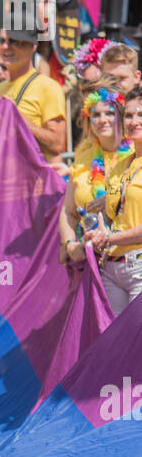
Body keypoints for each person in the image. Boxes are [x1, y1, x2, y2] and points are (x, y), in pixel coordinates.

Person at [86, 85, 142, 314]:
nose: (134, 121)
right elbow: (112, 217)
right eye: (128, 115)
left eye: (141, 114)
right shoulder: (120, 167)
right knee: (117, 345)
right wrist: (97, 233)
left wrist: (111, 238)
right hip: (111, 269)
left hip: (138, 267)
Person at [60, 88, 128, 266]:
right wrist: (69, 245)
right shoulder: (83, 158)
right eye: (95, 114)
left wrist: (110, 199)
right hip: (93, 259)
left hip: (131, 259)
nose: (102, 120)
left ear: (121, 117)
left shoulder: (135, 153)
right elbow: (68, 211)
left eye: (109, 113)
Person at [0, 27, 67, 159]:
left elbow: (57, 144)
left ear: (32, 46)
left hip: (31, 178)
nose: (5, 46)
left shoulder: (48, 87)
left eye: (14, 41)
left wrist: (20, 120)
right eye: (1, 41)